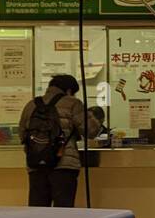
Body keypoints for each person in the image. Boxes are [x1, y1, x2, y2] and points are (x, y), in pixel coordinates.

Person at [18, 74, 101, 207]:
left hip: (36, 166)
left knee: (38, 211)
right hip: (64, 166)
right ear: (69, 90)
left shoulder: (31, 105)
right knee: (63, 211)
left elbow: (22, 135)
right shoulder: (73, 103)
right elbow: (91, 131)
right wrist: (88, 113)